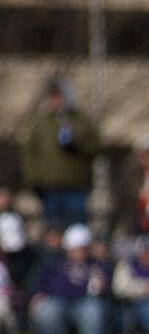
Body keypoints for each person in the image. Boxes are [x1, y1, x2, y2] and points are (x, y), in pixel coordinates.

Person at [22, 78, 101, 228]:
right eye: (53, 97)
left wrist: (77, 144)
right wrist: (33, 180)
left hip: (76, 187)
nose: (56, 101)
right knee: (53, 229)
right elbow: (31, 154)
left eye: (59, 96)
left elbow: (96, 147)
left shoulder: (81, 121)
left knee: (76, 230)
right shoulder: (42, 124)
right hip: (49, 188)